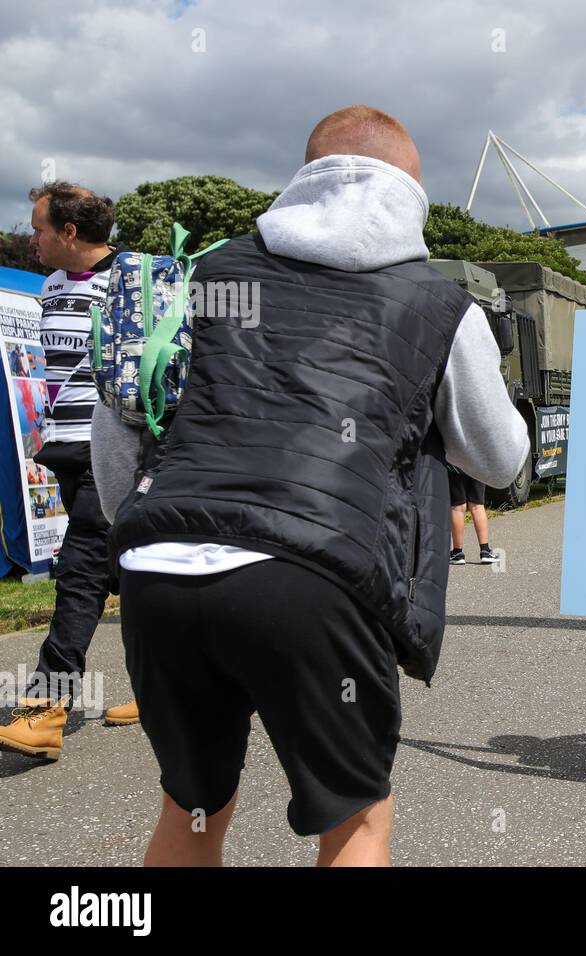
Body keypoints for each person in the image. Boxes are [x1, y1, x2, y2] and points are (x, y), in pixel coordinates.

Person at [105, 105, 529, 866]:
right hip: (314, 575)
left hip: (160, 566)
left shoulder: (209, 272)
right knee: (357, 823)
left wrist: (141, 531)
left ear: (303, 177)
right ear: (411, 191)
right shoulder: (437, 302)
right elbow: (499, 461)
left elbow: (125, 416)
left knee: (191, 811)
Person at [0, 183, 139, 762]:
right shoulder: (54, 284)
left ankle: (48, 708)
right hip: (62, 446)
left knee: (80, 571)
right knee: (131, 574)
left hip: (108, 450)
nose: (31, 238)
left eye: (38, 228)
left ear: (70, 233)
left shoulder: (128, 280)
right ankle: (170, 689)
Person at [447, 464, 500, 565]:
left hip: (455, 461)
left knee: (458, 507)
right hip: (476, 461)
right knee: (477, 505)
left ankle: (457, 553)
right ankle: (485, 551)